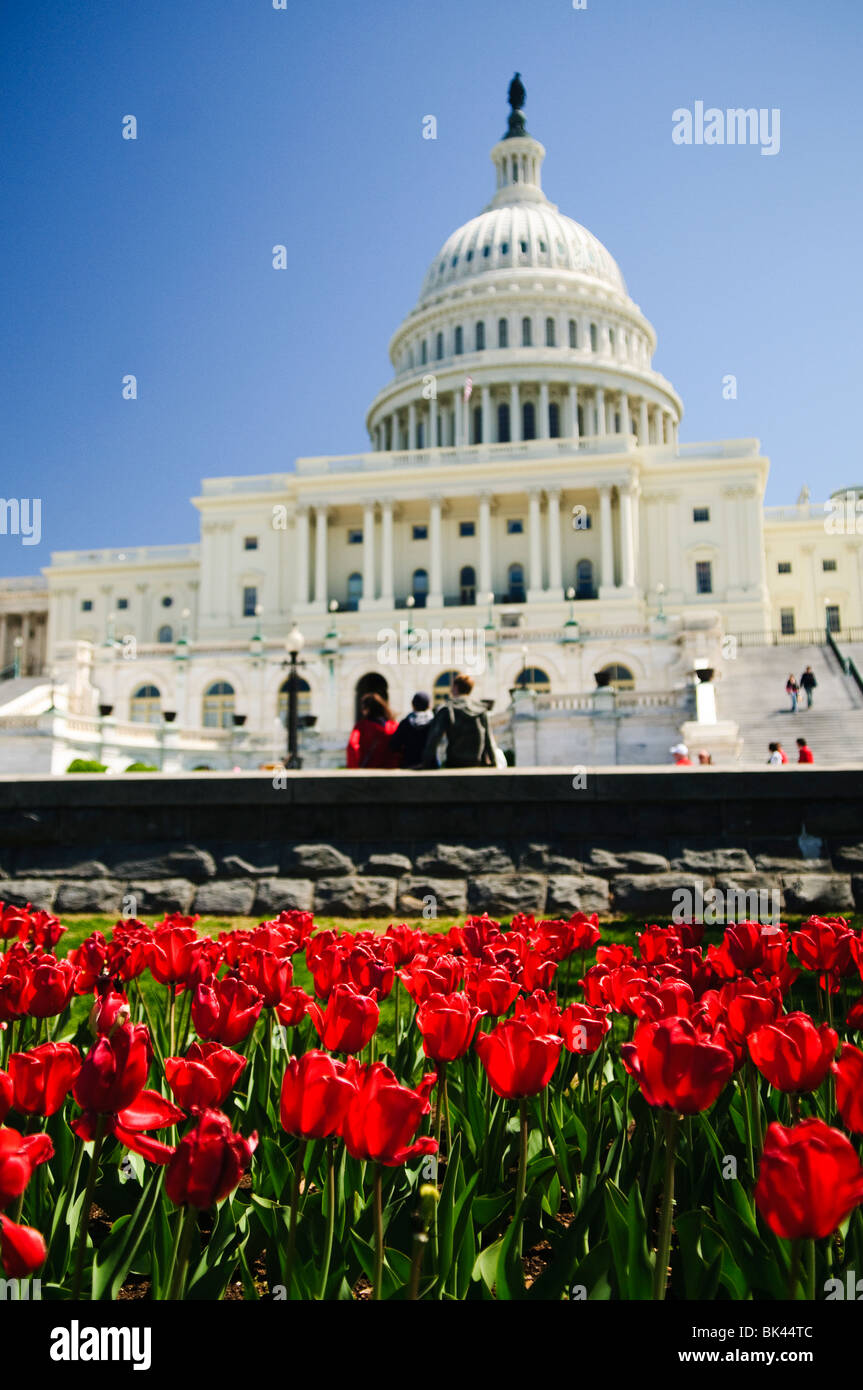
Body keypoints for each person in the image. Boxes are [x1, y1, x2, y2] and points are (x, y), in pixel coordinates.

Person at [422, 673, 496, 768]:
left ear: (455, 687)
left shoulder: (447, 708)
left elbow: (434, 738)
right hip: (476, 763)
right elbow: (489, 740)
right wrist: (494, 763)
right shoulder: (480, 709)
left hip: (455, 763)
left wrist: (426, 763)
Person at [346, 692, 399, 769]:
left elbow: (352, 746)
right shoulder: (393, 726)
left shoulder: (361, 727)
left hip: (368, 773)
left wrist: (353, 769)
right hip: (390, 771)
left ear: (367, 709)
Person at [389, 691, 435, 768]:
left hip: (409, 764)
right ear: (429, 706)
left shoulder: (405, 723)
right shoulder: (434, 722)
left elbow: (394, 745)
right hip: (430, 766)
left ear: (413, 705)